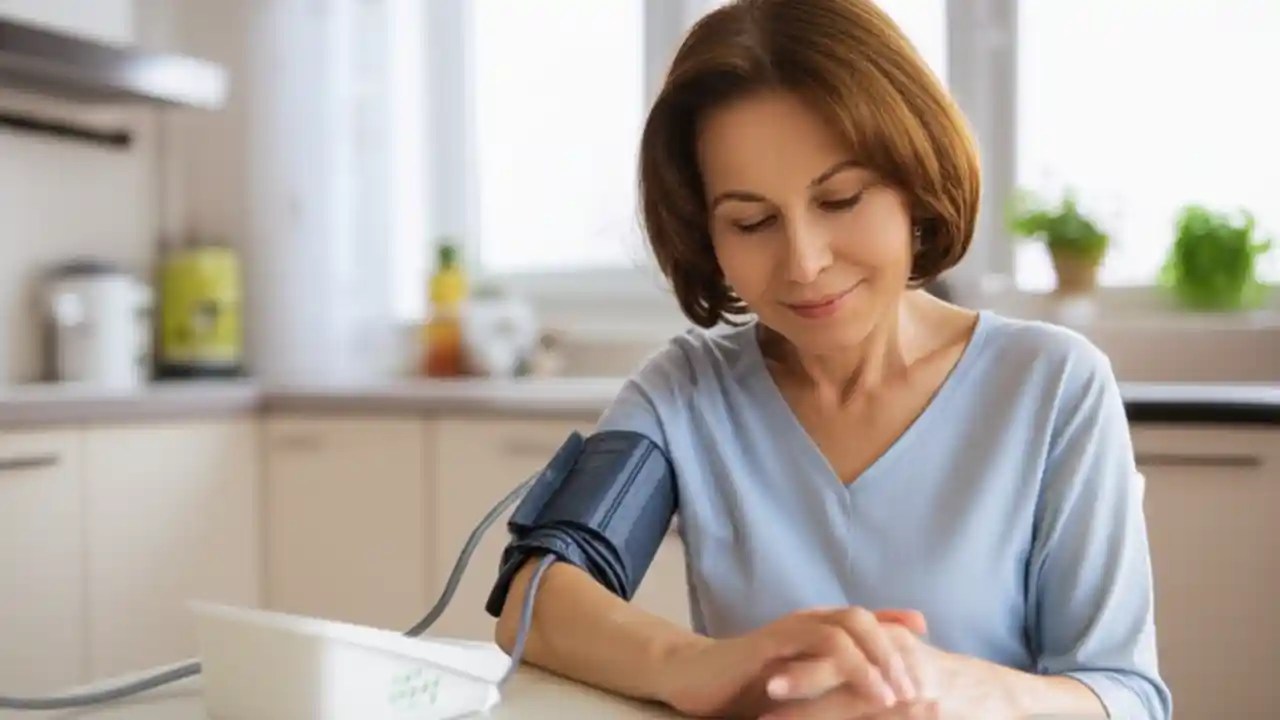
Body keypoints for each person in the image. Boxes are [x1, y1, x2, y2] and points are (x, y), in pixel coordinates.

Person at [494, 1, 1172, 718]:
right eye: (752, 221)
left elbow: (1123, 696)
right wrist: (700, 665)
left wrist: (939, 685)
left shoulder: (1051, 386)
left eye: (841, 199)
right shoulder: (687, 393)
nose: (805, 263)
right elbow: (537, 596)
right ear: (706, 233)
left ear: (915, 180)